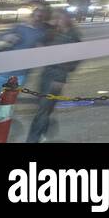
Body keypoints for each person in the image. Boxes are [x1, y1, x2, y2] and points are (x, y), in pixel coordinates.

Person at [0, 0, 52, 108]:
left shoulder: (43, 32)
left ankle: (0, 122)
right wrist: (5, 41)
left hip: (20, 74)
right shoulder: (18, 27)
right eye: (37, 10)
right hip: (2, 71)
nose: (40, 13)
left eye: (43, 11)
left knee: (6, 106)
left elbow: (45, 54)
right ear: (33, 12)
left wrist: (40, 51)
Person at [27, 10, 82, 143]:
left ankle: (33, 139)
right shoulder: (52, 32)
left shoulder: (73, 35)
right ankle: (44, 130)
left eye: (61, 18)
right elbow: (39, 42)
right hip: (45, 74)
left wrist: (62, 77)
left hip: (57, 75)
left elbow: (77, 57)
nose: (58, 21)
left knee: (43, 110)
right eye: (56, 18)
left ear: (67, 19)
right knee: (44, 107)